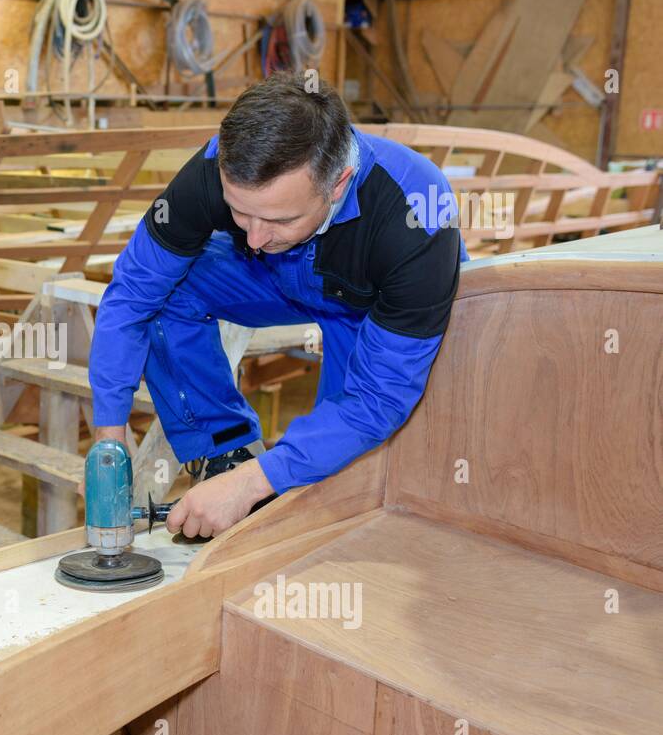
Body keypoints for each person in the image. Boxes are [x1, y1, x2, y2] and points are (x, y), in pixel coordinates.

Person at [88, 73, 466, 539]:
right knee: (169, 288)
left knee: (342, 483)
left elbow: (378, 399)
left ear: (337, 183)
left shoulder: (415, 212)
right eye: (239, 212)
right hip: (277, 279)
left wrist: (253, 484)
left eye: (278, 218)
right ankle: (225, 449)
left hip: (366, 307)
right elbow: (132, 293)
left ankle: (259, 484)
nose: (254, 237)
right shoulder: (215, 169)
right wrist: (109, 435)